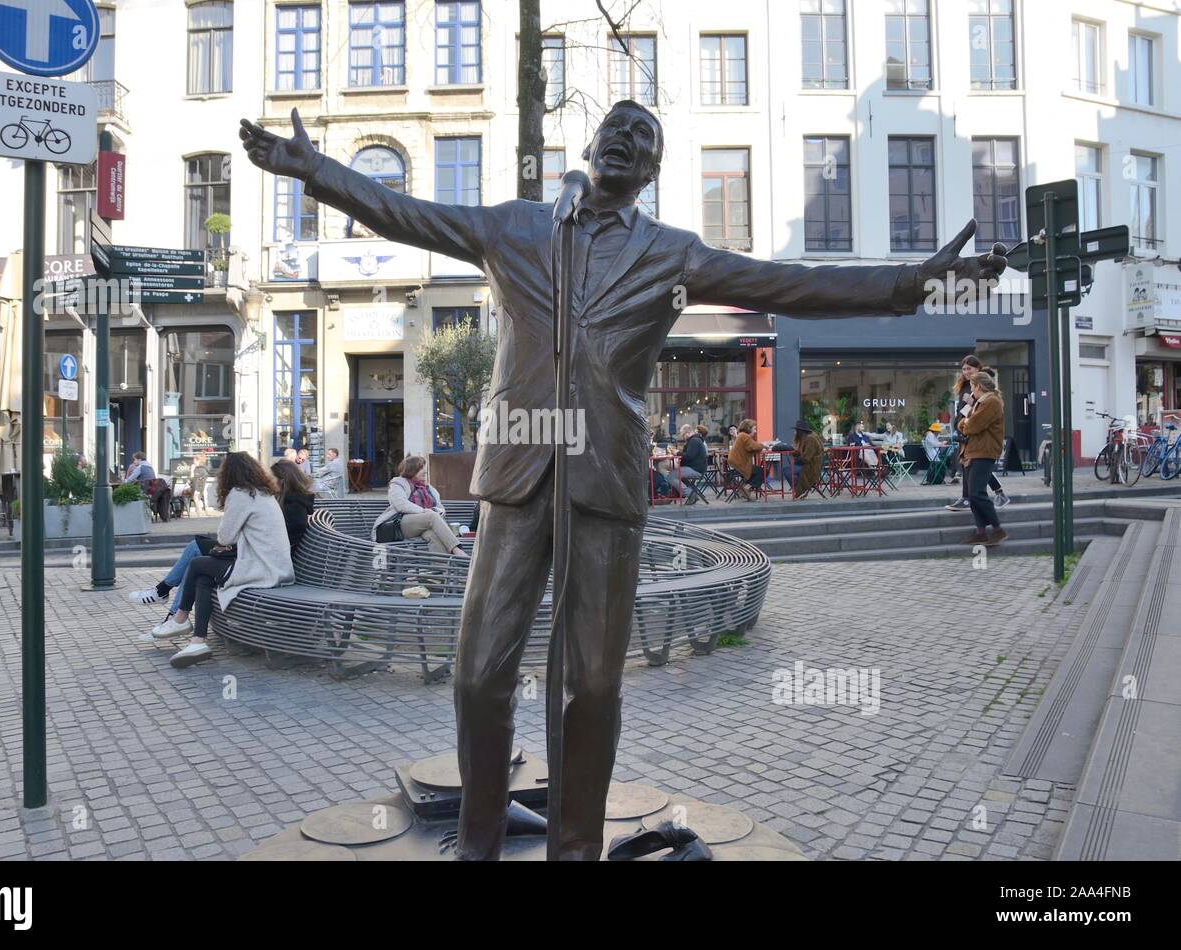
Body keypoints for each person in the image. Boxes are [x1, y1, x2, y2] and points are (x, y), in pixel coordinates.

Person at [241, 97, 1005, 861]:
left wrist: (919, 284)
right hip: (516, 477)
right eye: (617, 127)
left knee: (595, 686)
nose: (626, 140)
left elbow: (790, 284)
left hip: (605, 483)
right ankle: (478, 844)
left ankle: (575, 851)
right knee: (477, 676)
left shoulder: (672, 256)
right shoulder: (517, 229)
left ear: (651, 170)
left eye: (643, 137)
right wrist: (318, 173)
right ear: (593, 145)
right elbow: (410, 215)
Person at [152, 452, 295, 668]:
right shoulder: (262, 493)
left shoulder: (240, 494)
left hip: (262, 568)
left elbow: (225, 537)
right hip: (272, 564)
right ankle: (197, 642)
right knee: (203, 578)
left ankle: (180, 618)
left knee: (197, 564)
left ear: (228, 474)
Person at [945, 358, 1009, 511]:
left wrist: (966, 413)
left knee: (974, 466)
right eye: (964, 369)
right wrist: (960, 421)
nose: (966, 372)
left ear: (977, 369)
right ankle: (981, 496)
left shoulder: (981, 388)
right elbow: (965, 409)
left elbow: (977, 411)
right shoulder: (966, 385)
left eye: (969, 369)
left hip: (972, 432)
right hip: (965, 428)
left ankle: (970, 499)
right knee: (971, 466)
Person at [372, 455, 467, 557]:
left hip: (420, 525)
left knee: (432, 534)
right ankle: (456, 550)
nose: (425, 471)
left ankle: (441, 566)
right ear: (411, 470)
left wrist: (435, 510)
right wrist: (425, 511)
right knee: (432, 517)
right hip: (396, 525)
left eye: (424, 468)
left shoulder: (428, 488)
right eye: (421, 468)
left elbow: (440, 508)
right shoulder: (398, 483)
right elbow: (400, 504)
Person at [959, 372, 1007, 546]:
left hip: (984, 452)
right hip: (973, 452)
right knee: (973, 494)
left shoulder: (991, 402)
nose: (971, 390)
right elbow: (961, 423)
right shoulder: (979, 403)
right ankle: (981, 532)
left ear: (978, 386)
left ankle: (997, 529)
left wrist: (967, 422)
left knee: (977, 493)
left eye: (972, 386)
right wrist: (968, 418)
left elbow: (971, 426)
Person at [728, 418, 767, 499]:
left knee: (757, 471)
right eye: (754, 429)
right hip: (740, 464)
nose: (755, 431)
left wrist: (760, 446)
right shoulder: (744, 436)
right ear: (749, 428)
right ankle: (746, 488)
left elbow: (751, 447)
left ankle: (745, 489)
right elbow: (752, 446)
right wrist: (764, 445)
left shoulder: (742, 435)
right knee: (763, 471)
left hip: (736, 463)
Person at [676, 423, 708, 504]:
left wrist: (677, 453)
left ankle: (691, 495)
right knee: (677, 473)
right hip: (696, 467)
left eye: (683, 435)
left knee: (673, 476)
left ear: (687, 433)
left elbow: (689, 456)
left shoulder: (694, 441)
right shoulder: (694, 440)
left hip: (696, 469)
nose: (682, 438)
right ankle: (691, 494)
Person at [792, 421, 824, 497]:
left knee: (788, 471)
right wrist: (795, 452)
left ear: (800, 431)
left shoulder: (810, 439)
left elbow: (806, 458)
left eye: (796, 430)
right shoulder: (806, 438)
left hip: (811, 467)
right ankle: (799, 487)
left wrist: (797, 459)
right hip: (808, 464)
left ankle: (801, 487)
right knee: (789, 469)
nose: (795, 432)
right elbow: (802, 452)